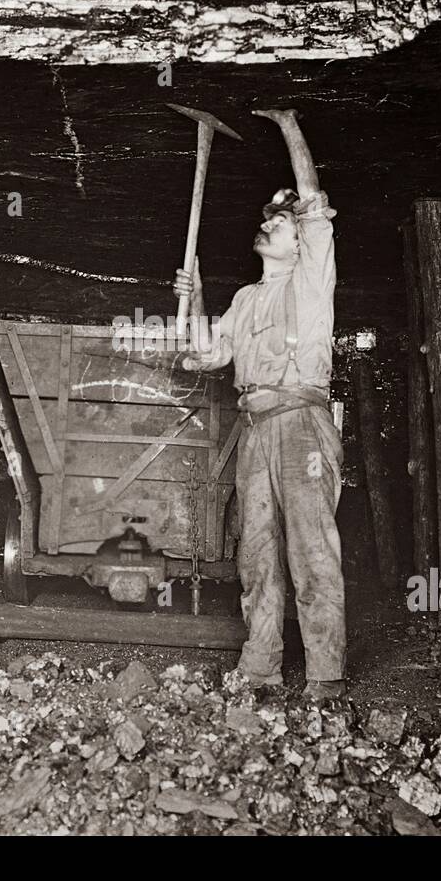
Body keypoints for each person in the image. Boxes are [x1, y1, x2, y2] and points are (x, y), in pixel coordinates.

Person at [172, 108, 346, 701]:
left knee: (312, 547)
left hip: (302, 427)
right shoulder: (245, 299)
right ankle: (261, 664)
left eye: (281, 219)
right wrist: (191, 303)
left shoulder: (311, 280)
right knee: (256, 551)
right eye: (268, 217)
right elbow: (204, 359)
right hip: (255, 428)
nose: (270, 223)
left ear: (301, 240)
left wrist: (290, 125)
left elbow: (314, 202)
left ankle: (325, 676)